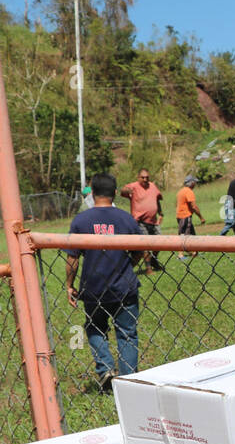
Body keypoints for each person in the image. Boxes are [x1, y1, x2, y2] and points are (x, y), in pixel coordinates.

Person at [64, 173, 143, 392]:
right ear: (115, 193)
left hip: (93, 288)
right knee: (127, 332)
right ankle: (129, 380)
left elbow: (72, 259)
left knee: (95, 328)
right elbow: (139, 251)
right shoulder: (126, 219)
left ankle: (106, 368)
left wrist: (70, 285)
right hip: (124, 286)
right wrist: (126, 266)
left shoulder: (81, 220)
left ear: (92, 192)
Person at [120, 168, 164, 271]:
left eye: (147, 177)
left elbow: (157, 199)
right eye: (143, 177)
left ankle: (154, 260)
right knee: (146, 245)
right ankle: (148, 268)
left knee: (160, 243)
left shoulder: (152, 186)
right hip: (140, 222)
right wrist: (127, 190)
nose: (145, 179)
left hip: (153, 221)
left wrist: (160, 212)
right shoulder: (134, 186)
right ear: (138, 177)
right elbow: (123, 190)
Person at [176, 175, 204, 259]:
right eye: (194, 182)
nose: (195, 184)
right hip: (185, 215)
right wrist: (201, 217)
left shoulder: (181, 191)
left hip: (180, 215)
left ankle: (194, 252)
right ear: (191, 183)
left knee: (192, 233)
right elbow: (193, 206)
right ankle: (180, 254)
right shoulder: (189, 192)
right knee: (184, 235)